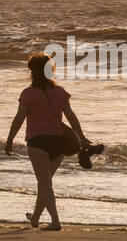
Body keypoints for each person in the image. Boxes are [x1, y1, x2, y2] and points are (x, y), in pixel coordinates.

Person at [6, 52, 89, 231]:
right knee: (45, 183)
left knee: (45, 184)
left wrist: (10, 138)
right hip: (58, 143)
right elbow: (72, 117)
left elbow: (20, 117)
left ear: (32, 72)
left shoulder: (28, 93)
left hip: (38, 143)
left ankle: (55, 222)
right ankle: (35, 218)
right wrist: (81, 137)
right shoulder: (60, 92)